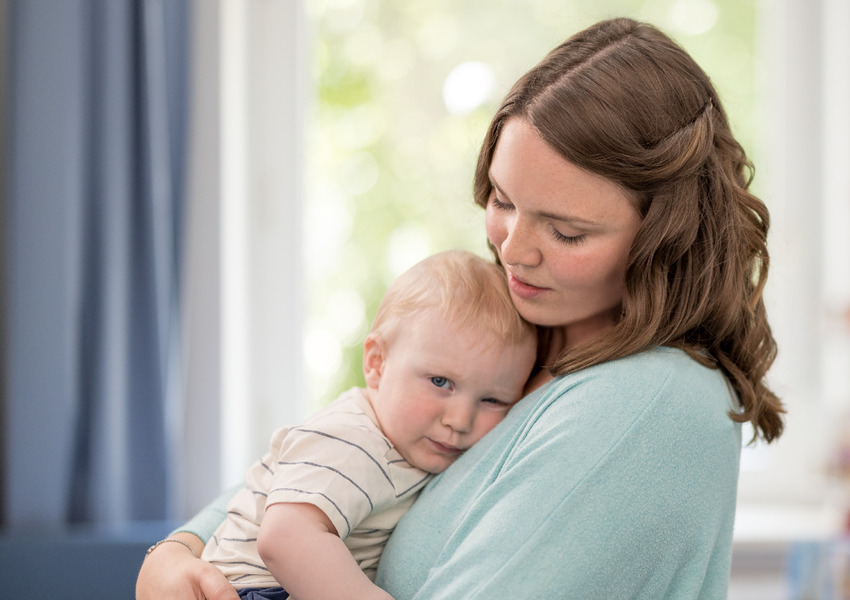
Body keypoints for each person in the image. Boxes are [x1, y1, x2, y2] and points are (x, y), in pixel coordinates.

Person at [137, 17, 785, 599]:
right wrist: (173, 556)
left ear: (664, 235)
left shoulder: (650, 404)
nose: (514, 250)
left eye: (566, 232)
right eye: (504, 201)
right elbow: (315, 462)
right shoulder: (516, 327)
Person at [190, 250, 536, 600]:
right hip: (253, 589)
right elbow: (285, 538)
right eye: (440, 382)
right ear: (377, 363)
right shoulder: (352, 440)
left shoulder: (407, 442)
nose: (460, 420)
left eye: (492, 400)